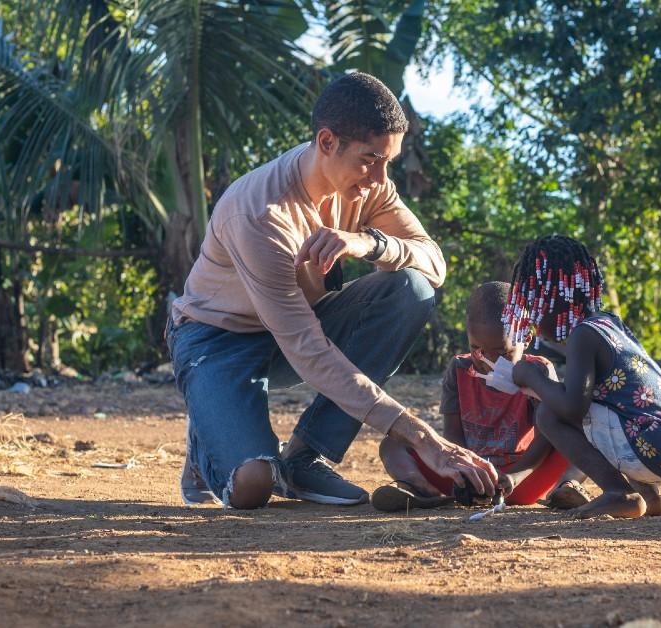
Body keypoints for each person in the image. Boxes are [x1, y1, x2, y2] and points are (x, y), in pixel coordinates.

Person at [166, 72, 498, 510]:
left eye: (388, 161)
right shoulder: (261, 216)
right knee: (252, 487)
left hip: (293, 331)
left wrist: (370, 242)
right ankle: (209, 432)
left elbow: (433, 265)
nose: (380, 177)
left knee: (410, 289)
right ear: (326, 142)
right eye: (369, 159)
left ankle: (305, 456)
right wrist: (425, 438)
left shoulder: (372, 187)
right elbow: (308, 349)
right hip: (217, 339)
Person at [505, 236, 661, 519]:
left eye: (532, 307)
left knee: (549, 414)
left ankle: (619, 493)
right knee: (614, 408)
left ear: (552, 300)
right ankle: (648, 495)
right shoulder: (609, 324)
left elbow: (572, 408)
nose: (531, 319)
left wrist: (530, 376)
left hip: (652, 450)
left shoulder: (584, 335)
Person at [372, 282, 590, 512]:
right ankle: (421, 489)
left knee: (586, 429)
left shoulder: (539, 372)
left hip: (524, 479)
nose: (489, 362)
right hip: (465, 477)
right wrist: (466, 475)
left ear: (525, 338)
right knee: (394, 442)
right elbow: (453, 435)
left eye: (503, 353)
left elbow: (548, 436)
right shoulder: (459, 369)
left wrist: (514, 477)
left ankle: (566, 487)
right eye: (477, 349)